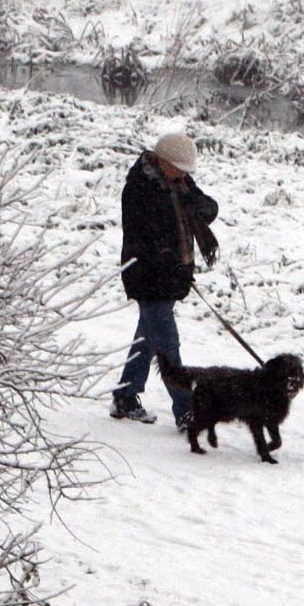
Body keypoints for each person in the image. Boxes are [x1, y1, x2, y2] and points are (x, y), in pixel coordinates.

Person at [112, 131, 219, 426]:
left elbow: (206, 207)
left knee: (148, 337)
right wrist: (169, 263)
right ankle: (186, 410)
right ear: (162, 161)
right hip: (147, 276)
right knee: (168, 344)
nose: (184, 174)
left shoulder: (179, 182)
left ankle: (125, 395)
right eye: (179, 168)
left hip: (171, 276)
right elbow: (146, 238)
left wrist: (201, 208)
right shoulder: (139, 189)